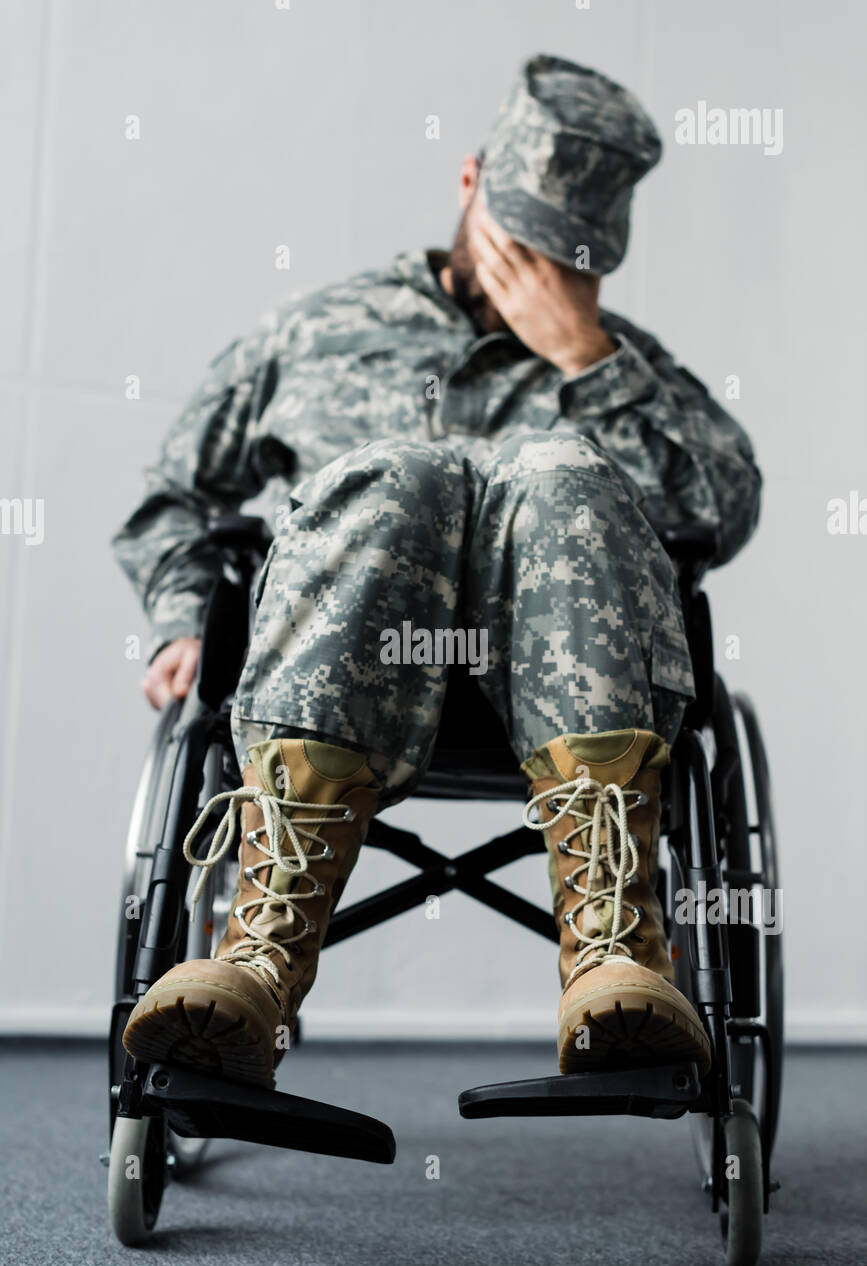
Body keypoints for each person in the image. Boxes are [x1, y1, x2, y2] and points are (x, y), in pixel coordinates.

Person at [115, 55, 761, 1089]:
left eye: (567, 253)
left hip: (559, 689)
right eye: (523, 236)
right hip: (336, 675)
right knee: (400, 474)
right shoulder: (313, 333)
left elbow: (720, 513)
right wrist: (187, 614)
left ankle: (615, 952)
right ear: (470, 183)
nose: (537, 267)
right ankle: (259, 955)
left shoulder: (616, 367)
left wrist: (586, 361)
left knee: (559, 471)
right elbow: (172, 501)